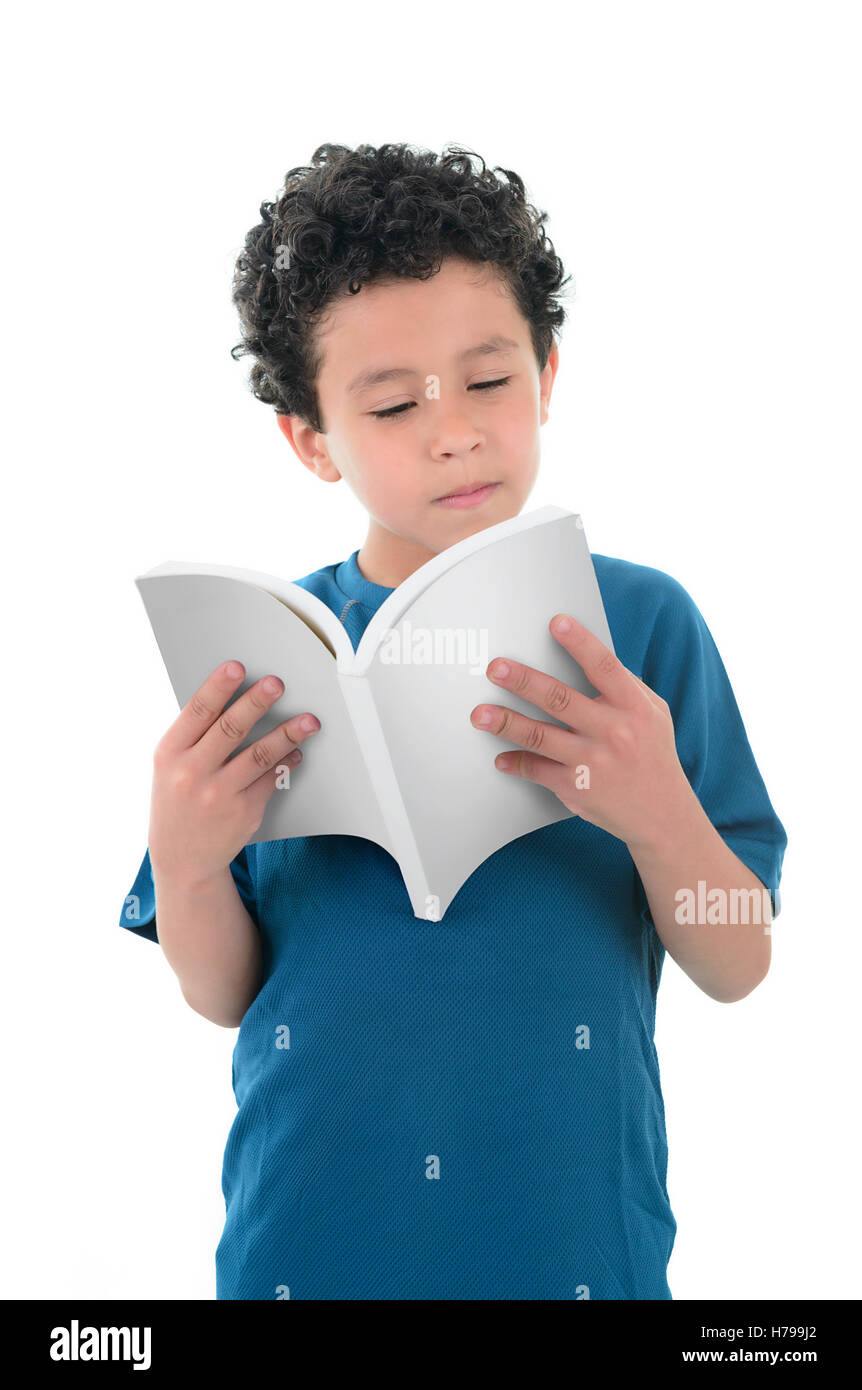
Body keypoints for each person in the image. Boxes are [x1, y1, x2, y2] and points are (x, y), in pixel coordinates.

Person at [119, 142, 787, 1300]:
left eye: (488, 381)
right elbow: (225, 994)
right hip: (304, 1250)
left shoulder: (639, 627)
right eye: (390, 403)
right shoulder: (272, 655)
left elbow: (739, 957)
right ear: (311, 438)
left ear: (547, 374)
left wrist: (659, 814)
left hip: (575, 1255)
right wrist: (184, 865)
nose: (454, 430)